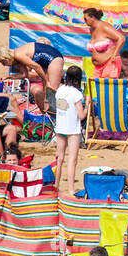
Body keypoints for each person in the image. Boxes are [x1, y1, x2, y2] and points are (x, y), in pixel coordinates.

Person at [53, 65, 85, 197]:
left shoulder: (60, 90)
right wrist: (87, 106)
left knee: (59, 158)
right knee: (72, 159)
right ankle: (71, 189)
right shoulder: (77, 93)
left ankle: (56, 185)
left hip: (60, 126)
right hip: (72, 129)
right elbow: (81, 116)